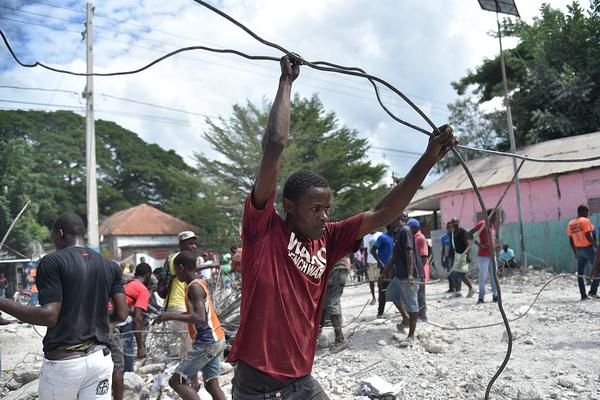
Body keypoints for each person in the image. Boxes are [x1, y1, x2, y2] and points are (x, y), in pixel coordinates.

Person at [226, 55, 456, 399]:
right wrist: (286, 82)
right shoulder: (264, 229)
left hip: (300, 379)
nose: (324, 216)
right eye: (315, 208)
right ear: (289, 207)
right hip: (256, 382)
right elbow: (274, 146)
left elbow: (382, 211)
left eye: (327, 209)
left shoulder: (330, 239)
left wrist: (428, 158)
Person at [0, 212, 128, 399]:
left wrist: (2, 302)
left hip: (65, 364)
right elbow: (122, 314)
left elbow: (49, 316)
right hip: (99, 360)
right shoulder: (110, 265)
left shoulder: (52, 261)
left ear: (59, 233)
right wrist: (96, 320)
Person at [154, 251, 226, 400]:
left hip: (207, 342)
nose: (175, 275)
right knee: (211, 385)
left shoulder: (194, 288)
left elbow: (199, 318)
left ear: (181, 267)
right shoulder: (198, 283)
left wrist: (169, 315)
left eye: (175, 270)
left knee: (176, 381)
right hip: (217, 338)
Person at [110, 262, 153, 400]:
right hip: (116, 322)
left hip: (104, 318)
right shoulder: (142, 289)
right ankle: (127, 381)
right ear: (148, 275)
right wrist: (140, 347)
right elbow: (138, 320)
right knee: (125, 353)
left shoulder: (127, 283)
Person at [380, 216, 422, 346]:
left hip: (409, 275)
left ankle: (411, 335)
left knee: (411, 302)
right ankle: (406, 319)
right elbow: (395, 255)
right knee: (391, 294)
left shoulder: (405, 230)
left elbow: (409, 252)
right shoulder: (396, 233)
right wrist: (385, 271)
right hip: (399, 274)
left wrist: (410, 274)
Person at [163, 231, 199, 362]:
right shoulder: (177, 258)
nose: (194, 246)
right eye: (190, 243)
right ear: (181, 244)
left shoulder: (187, 257)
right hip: (177, 303)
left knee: (188, 338)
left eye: (195, 243)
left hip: (182, 302)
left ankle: (187, 371)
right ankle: (186, 371)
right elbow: (192, 270)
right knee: (188, 338)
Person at [319, 255, 351, 353]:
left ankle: (340, 339)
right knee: (324, 301)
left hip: (336, 269)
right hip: (338, 268)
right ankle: (318, 332)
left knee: (332, 302)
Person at [567, 205, 598, 300]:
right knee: (598, 269)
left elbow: (571, 239)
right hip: (587, 248)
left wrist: (575, 252)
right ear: (583, 212)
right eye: (587, 213)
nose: (588, 215)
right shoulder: (585, 221)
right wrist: (597, 247)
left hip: (579, 250)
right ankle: (593, 291)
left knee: (580, 274)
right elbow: (588, 235)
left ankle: (583, 295)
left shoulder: (571, 223)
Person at [469, 211, 498, 304]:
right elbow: (469, 234)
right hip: (483, 256)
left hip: (492, 255)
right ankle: (481, 297)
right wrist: (479, 245)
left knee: (494, 276)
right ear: (490, 216)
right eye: (494, 217)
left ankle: (495, 295)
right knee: (483, 277)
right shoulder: (482, 224)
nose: (495, 219)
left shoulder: (491, 226)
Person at [372, 219, 399, 317]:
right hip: (385, 269)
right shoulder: (382, 237)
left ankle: (402, 311)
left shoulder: (397, 237)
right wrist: (381, 263)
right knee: (383, 290)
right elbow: (372, 251)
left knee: (399, 289)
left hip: (396, 268)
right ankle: (380, 312)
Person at [408, 218, 428, 321]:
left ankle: (423, 314)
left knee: (420, 293)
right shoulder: (412, 237)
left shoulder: (420, 238)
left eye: (410, 228)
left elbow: (424, 257)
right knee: (414, 294)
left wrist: (418, 270)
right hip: (414, 271)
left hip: (419, 271)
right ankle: (416, 313)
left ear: (415, 228)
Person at [449, 218, 475, 298]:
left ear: (458, 223)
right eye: (452, 223)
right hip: (456, 256)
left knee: (461, 274)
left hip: (463, 255)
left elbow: (468, 245)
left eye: (455, 222)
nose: (454, 224)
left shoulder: (462, 232)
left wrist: (468, 256)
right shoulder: (453, 233)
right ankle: (457, 291)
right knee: (453, 274)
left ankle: (471, 288)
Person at [363, 230, 382, 305]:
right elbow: (365, 251)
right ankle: (374, 297)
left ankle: (380, 297)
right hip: (370, 262)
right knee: (371, 281)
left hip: (379, 261)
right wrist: (365, 263)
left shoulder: (380, 235)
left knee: (380, 281)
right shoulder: (366, 237)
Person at [440, 222, 454, 292]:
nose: (450, 229)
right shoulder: (443, 237)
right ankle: (451, 287)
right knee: (449, 272)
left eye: (451, 227)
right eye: (448, 227)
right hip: (448, 257)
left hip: (455, 257)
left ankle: (456, 288)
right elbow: (442, 249)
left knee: (455, 272)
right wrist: (442, 259)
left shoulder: (454, 236)